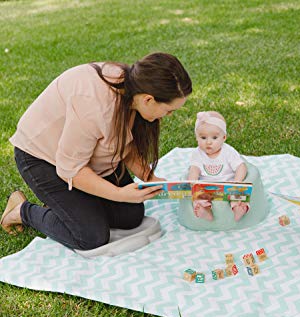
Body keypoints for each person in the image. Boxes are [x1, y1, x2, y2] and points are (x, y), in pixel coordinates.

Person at [0, 52, 192, 250]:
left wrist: (151, 178)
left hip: (86, 158)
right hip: (42, 158)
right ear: (148, 99)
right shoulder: (96, 106)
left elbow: (125, 144)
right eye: (169, 110)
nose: (168, 116)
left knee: (130, 215)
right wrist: (118, 193)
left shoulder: (136, 87)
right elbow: (71, 170)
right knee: (90, 236)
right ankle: (22, 211)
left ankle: (65, 204)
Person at [187, 111, 249, 222]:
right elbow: (194, 169)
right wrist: (193, 180)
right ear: (197, 137)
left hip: (228, 185)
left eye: (214, 138)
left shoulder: (228, 151)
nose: (208, 142)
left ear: (223, 137)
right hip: (207, 188)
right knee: (198, 197)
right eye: (203, 138)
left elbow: (241, 167)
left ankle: (238, 208)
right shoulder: (197, 153)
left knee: (239, 194)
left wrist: (237, 182)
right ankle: (205, 211)